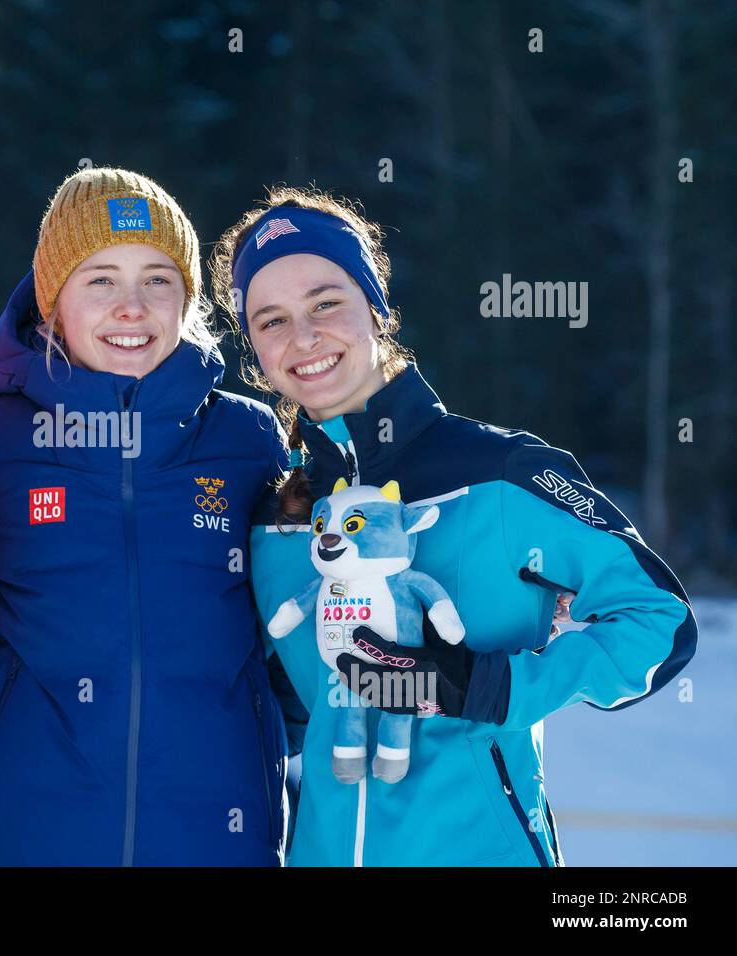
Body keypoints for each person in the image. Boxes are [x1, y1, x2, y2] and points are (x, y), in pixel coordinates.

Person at [212, 186, 698, 866]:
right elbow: (286, 709)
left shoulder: (500, 472)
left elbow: (658, 620)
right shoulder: (276, 518)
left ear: (375, 306)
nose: (303, 337)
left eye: (327, 302)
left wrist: (496, 687)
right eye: (271, 320)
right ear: (253, 348)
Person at [0, 168, 290, 865]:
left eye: (158, 280)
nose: (131, 307)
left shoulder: (249, 439)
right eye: (100, 279)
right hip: (26, 830)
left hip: (215, 829)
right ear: (52, 303)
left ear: (189, 301)